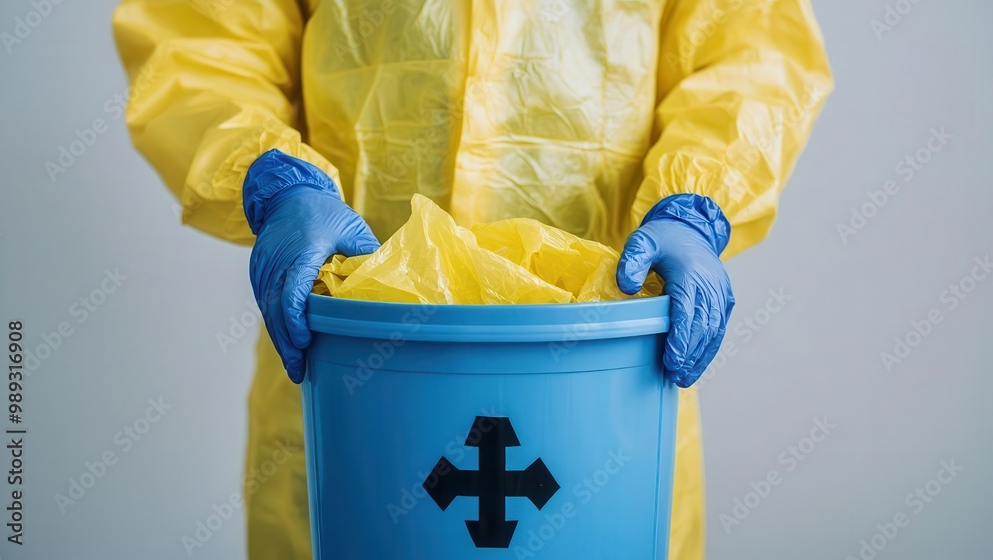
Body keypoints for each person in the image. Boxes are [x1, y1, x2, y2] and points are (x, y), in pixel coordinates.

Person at [113, 1, 832, 557]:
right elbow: (202, 44)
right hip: (354, 359)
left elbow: (748, 52)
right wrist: (274, 180)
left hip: (607, 370)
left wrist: (697, 201)